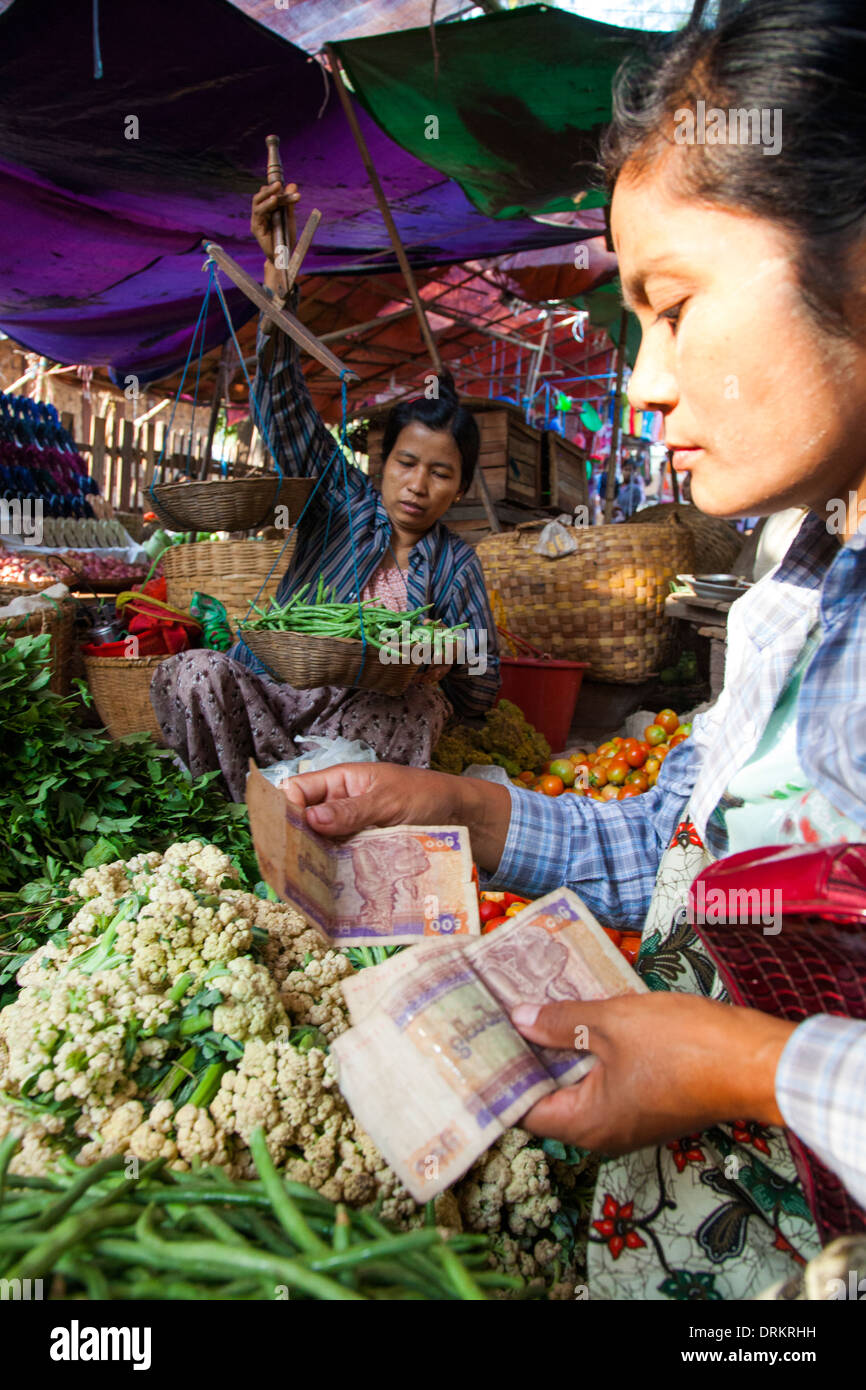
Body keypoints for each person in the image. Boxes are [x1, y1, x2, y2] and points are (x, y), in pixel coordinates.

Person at [280, 0, 866, 1300]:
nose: (643, 378)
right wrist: (454, 804)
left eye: (671, 304)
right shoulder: (801, 577)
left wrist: (743, 1066)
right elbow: (682, 856)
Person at [153, 182, 500, 801]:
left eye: (441, 473)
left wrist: (440, 662)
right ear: (381, 461)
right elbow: (284, 405)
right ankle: (243, 809)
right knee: (196, 671)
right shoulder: (340, 500)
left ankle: (328, 812)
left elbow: (480, 687)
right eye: (406, 463)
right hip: (270, 702)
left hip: (361, 726)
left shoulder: (455, 565)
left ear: (461, 486)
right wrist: (278, 274)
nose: (418, 486)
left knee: (418, 705)